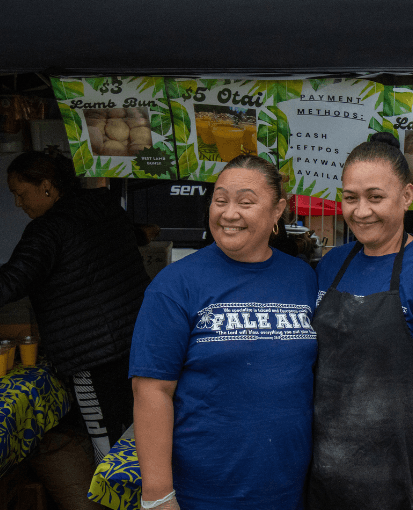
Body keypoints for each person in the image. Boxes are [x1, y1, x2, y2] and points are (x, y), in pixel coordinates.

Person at [0, 150, 148, 455]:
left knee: (106, 444)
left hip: (92, 356)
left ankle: (119, 499)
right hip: (139, 340)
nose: (18, 204)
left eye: (21, 193)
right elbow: (133, 235)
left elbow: (10, 282)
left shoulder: (48, 230)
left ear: (47, 185)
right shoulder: (103, 205)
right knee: (141, 431)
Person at [130, 155, 318, 510]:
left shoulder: (302, 278)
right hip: (203, 494)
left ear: (278, 210)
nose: (229, 213)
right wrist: (158, 494)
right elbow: (151, 390)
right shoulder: (175, 284)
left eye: (246, 202)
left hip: (290, 489)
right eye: (220, 200)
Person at [308, 133, 413, 510]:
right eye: (350, 198)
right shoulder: (333, 264)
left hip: (397, 484)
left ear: (407, 196)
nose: (361, 210)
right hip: (323, 482)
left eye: (375, 197)